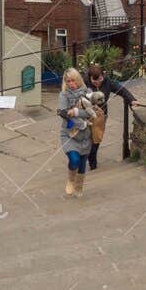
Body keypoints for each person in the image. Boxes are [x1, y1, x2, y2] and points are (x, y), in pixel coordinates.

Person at [84, 64, 133, 171]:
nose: (98, 82)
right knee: (87, 138)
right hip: (86, 115)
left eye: (100, 79)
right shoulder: (84, 82)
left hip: (101, 115)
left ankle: (92, 162)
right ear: (89, 77)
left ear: (103, 75)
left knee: (96, 138)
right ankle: (89, 159)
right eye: (94, 81)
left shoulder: (108, 82)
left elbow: (121, 90)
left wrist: (132, 100)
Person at [57, 68, 95, 198]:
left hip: (85, 136)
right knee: (74, 160)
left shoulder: (88, 92)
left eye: (73, 80)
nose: (70, 83)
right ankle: (71, 179)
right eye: (68, 81)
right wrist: (81, 123)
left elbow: (92, 112)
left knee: (83, 162)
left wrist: (76, 112)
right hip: (69, 134)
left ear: (78, 79)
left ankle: (79, 186)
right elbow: (64, 114)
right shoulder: (63, 95)